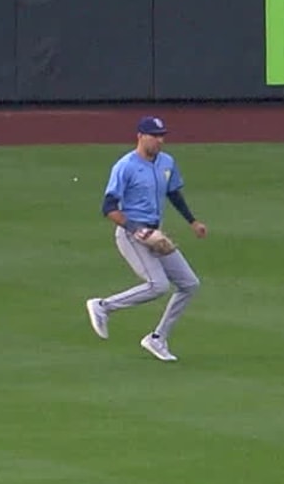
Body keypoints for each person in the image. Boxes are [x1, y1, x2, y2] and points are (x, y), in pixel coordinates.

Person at [84, 115, 208, 362]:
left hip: (157, 234)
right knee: (158, 285)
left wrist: (192, 221)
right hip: (131, 234)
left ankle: (157, 338)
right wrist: (136, 229)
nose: (159, 140)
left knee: (189, 284)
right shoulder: (125, 166)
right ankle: (103, 306)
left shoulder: (166, 162)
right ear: (140, 136)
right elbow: (108, 207)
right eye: (155, 135)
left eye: (162, 136)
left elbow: (174, 193)